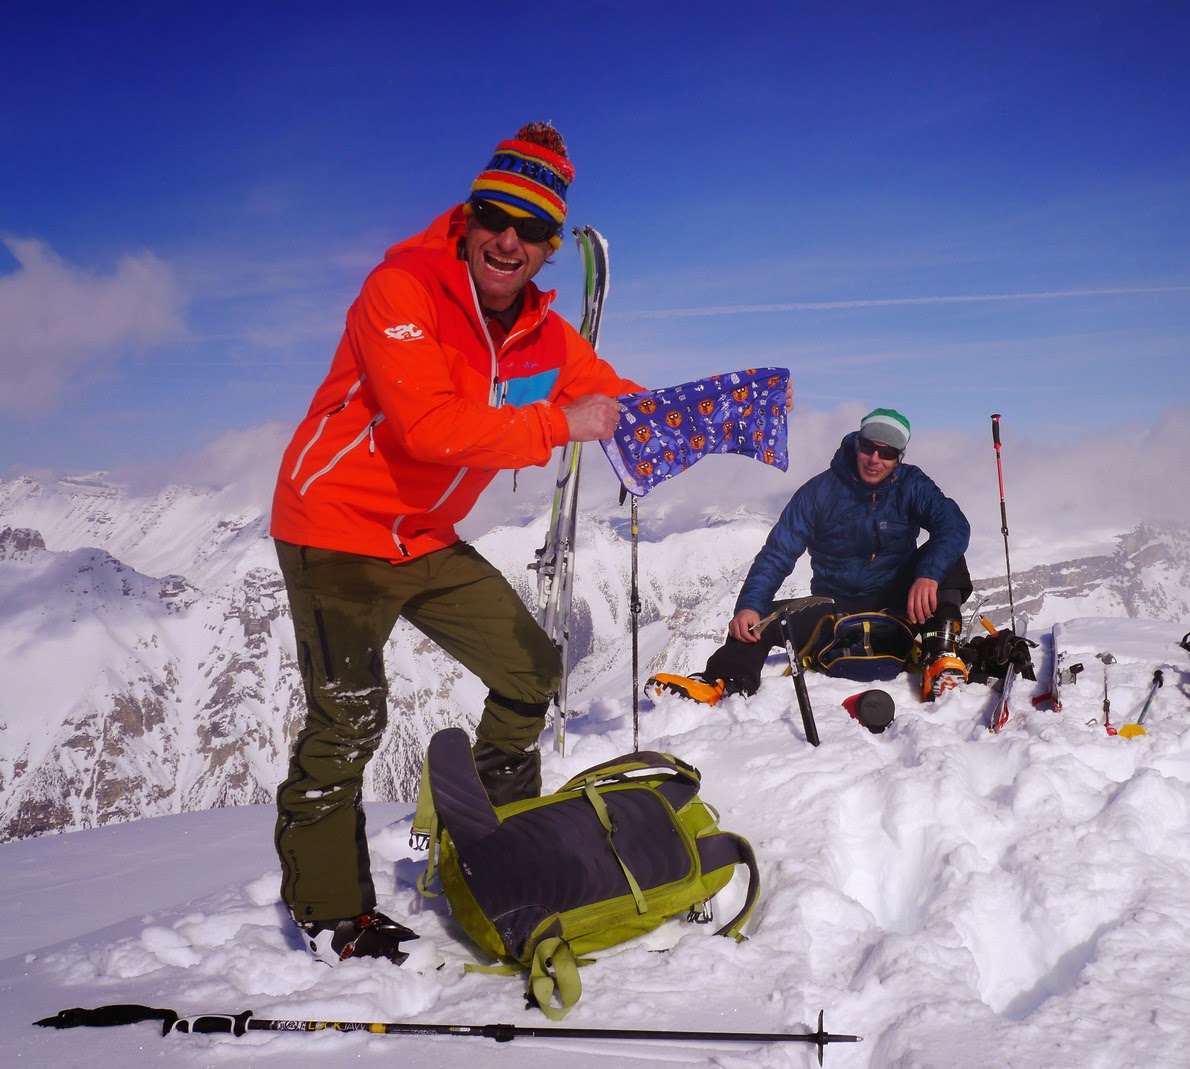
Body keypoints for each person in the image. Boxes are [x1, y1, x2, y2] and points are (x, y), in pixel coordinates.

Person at [269, 122, 640, 964]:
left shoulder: (547, 335)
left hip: (423, 536)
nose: (509, 239)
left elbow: (612, 398)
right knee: (349, 722)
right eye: (494, 215)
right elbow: (429, 426)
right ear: (468, 219)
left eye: (532, 228)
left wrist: (712, 415)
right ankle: (333, 911)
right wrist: (558, 424)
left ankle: (498, 838)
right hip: (337, 530)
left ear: (551, 248)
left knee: (530, 669)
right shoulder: (401, 290)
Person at [653, 407, 973, 706]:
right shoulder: (819, 492)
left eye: (887, 453)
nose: (875, 459)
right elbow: (778, 554)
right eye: (868, 448)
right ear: (857, 445)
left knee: (946, 558)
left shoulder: (912, 485)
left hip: (900, 600)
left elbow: (954, 526)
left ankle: (940, 659)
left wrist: (927, 574)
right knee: (757, 618)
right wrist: (750, 606)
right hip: (833, 606)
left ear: (898, 458)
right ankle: (723, 682)